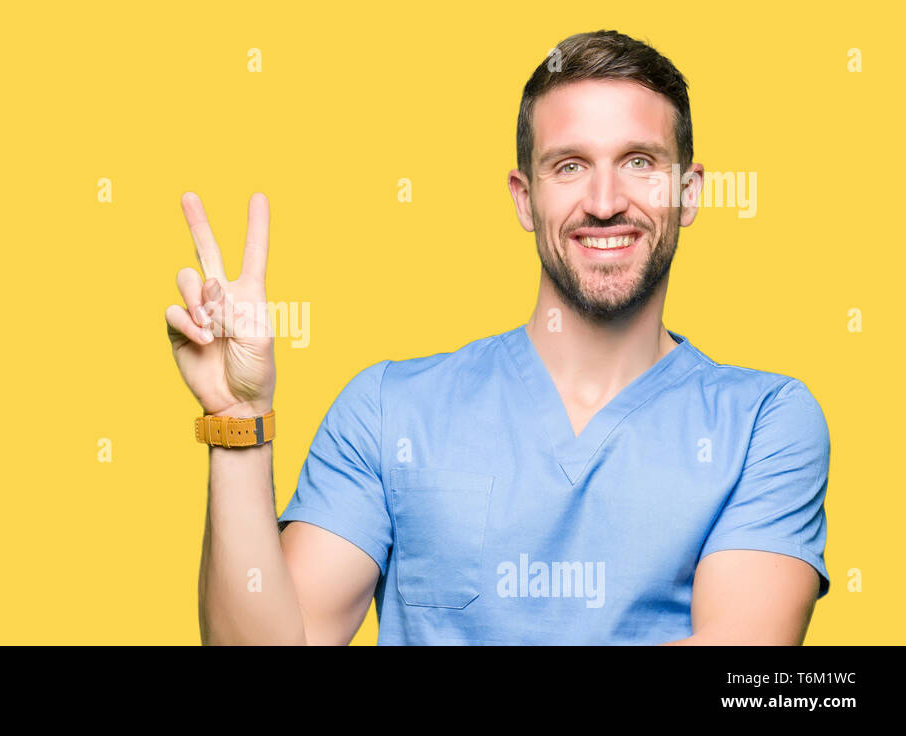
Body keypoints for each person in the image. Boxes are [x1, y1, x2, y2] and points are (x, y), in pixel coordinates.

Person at [164, 29, 829, 645]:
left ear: (688, 193)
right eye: (568, 166)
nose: (604, 200)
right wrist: (237, 423)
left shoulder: (764, 424)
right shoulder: (388, 408)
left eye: (639, 162)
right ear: (523, 197)